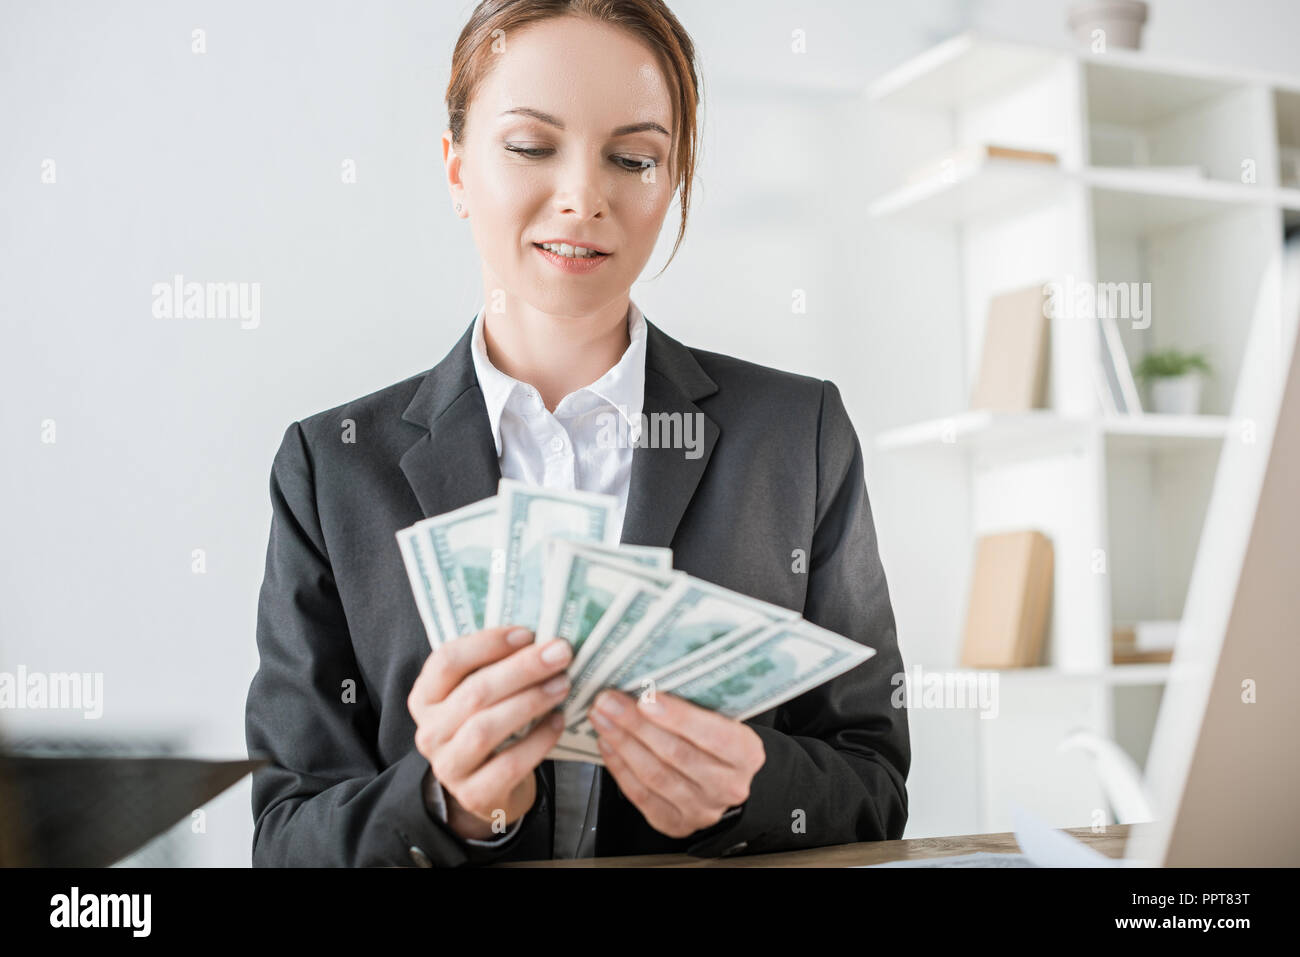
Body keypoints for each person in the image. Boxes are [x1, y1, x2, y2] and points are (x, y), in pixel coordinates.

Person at [245, 0, 909, 867]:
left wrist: (749, 791)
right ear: (456, 170)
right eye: (530, 146)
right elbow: (286, 838)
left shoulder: (798, 436)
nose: (583, 198)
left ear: (673, 183)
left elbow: (874, 786)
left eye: (634, 158)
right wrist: (447, 805)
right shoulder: (330, 467)